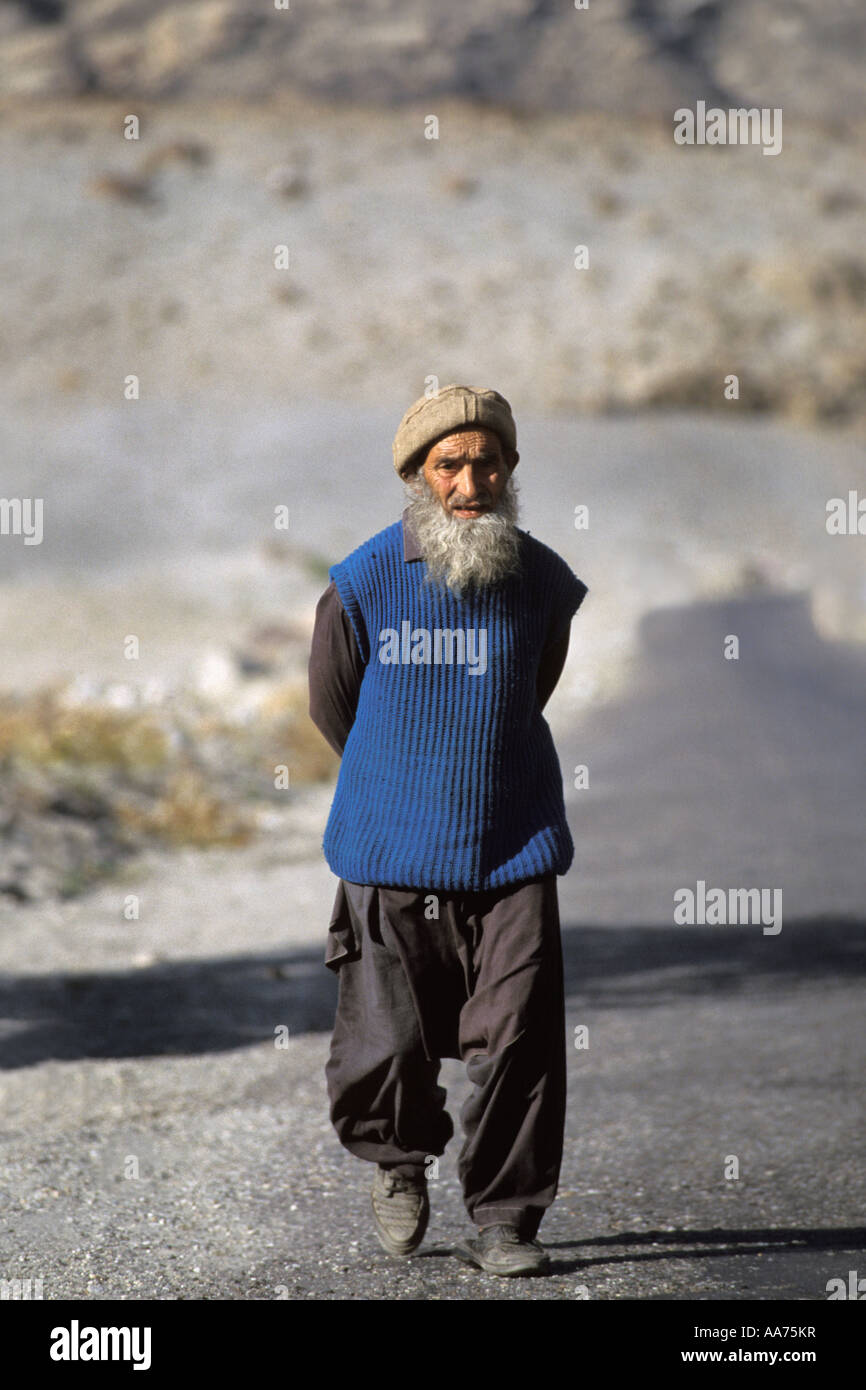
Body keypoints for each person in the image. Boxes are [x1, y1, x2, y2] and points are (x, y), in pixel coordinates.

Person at [307, 384, 587, 1276]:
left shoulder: (541, 580)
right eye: (450, 465)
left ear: (509, 469)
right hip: (388, 846)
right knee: (385, 1039)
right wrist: (401, 778)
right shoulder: (363, 580)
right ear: (418, 479)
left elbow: (531, 688)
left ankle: (506, 1218)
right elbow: (332, 703)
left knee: (518, 1038)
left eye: (487, 462)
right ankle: (398, 1161)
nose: (472, 481)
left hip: (512, 845)